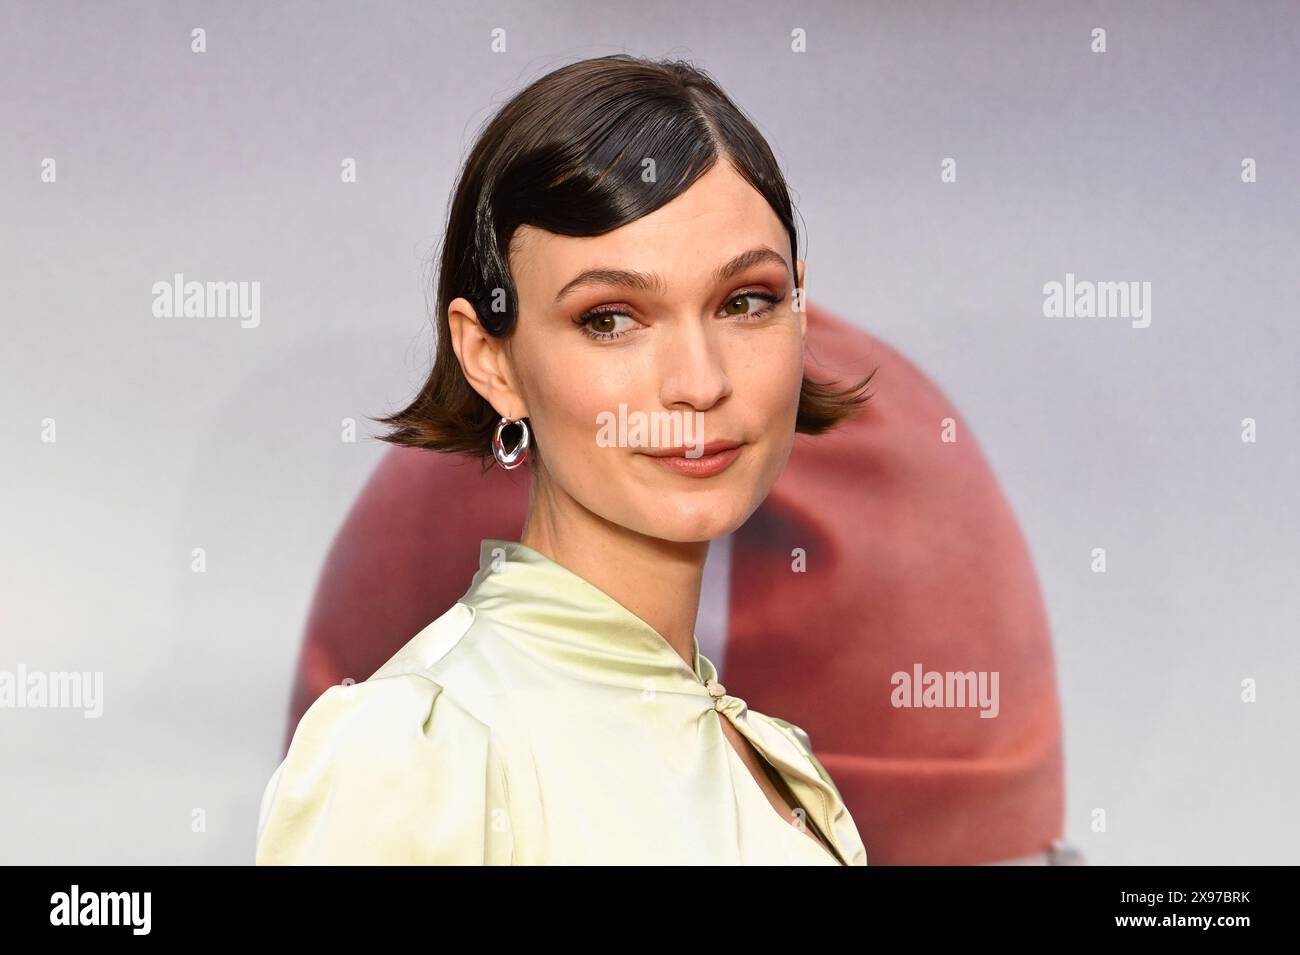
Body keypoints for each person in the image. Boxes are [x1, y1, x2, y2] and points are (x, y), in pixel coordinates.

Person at [255, 53, 878, 865]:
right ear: (490, 358)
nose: (700, 381)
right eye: (611, 318)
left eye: (744, 302)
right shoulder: (420, 749)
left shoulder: (773, 761)